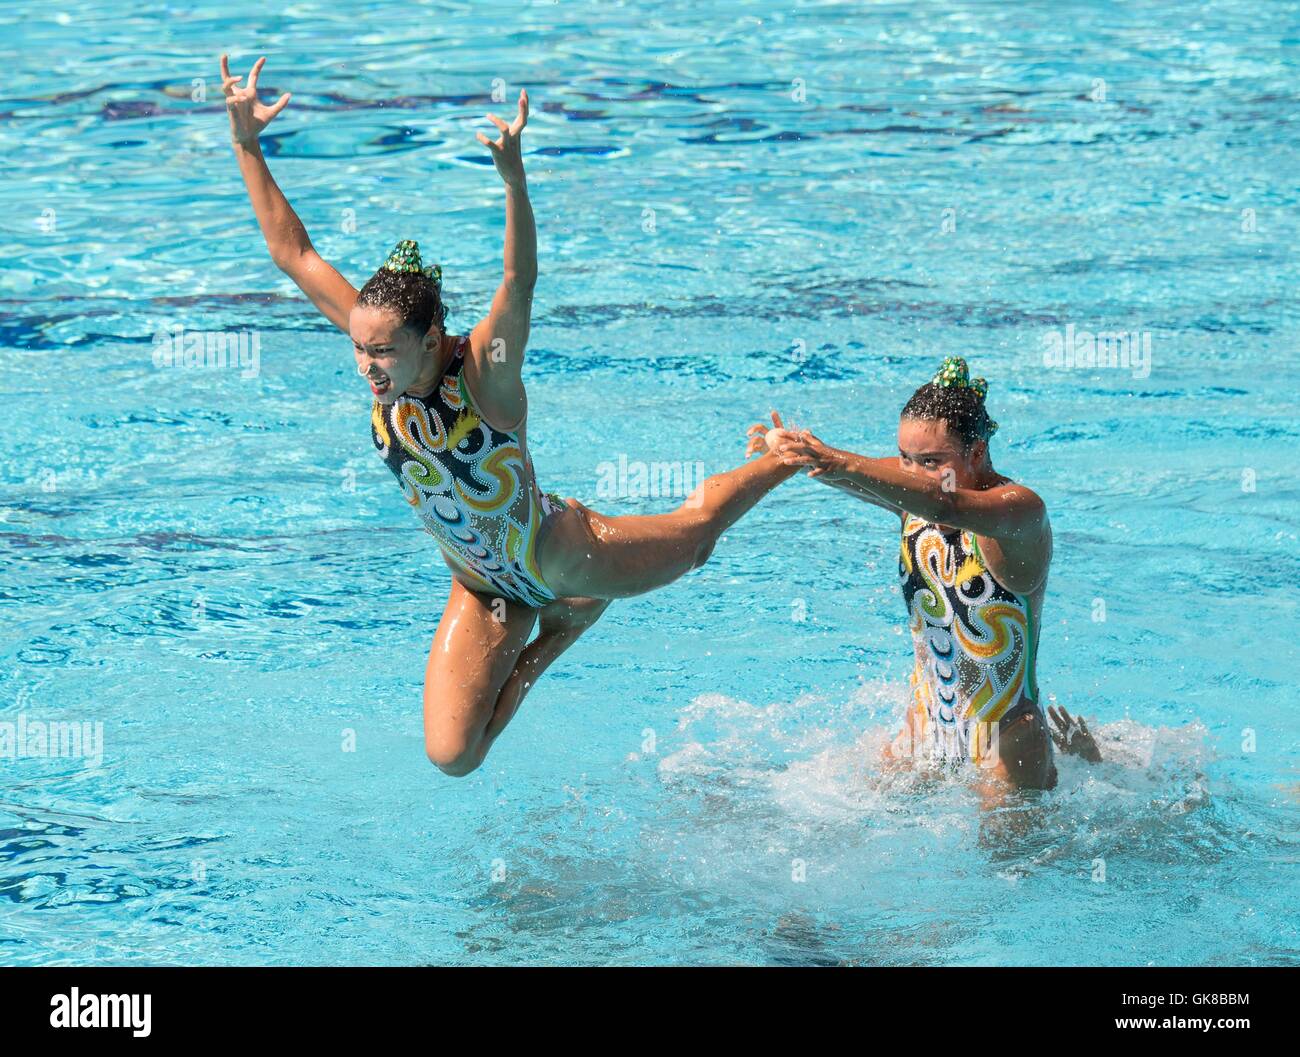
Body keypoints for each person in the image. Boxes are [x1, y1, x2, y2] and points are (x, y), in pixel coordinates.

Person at [222, 56, 796, 776]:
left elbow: (519, 281)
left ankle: (781, 457)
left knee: (698, 537)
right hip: (480, 580)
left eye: (382, 353)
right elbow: (292, 251)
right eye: (360, 349)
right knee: (453, 755)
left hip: (565, 555)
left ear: (430, 340)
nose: (367, 366)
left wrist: (514, 181)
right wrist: (246, 142)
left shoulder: (484, 376)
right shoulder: (380, 350)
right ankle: (556, 634)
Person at [749, 357, 1101, 791]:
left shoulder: (1020, 512)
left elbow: (943, 502)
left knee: (1012, 861)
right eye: (904, 459)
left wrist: (836, 460)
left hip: (1007, 743)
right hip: (925, 727)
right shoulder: (910, 495)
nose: (912, 474)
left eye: (931, 461)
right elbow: (859, 477)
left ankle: (1087, 758)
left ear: (975, 452)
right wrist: (794, 451)